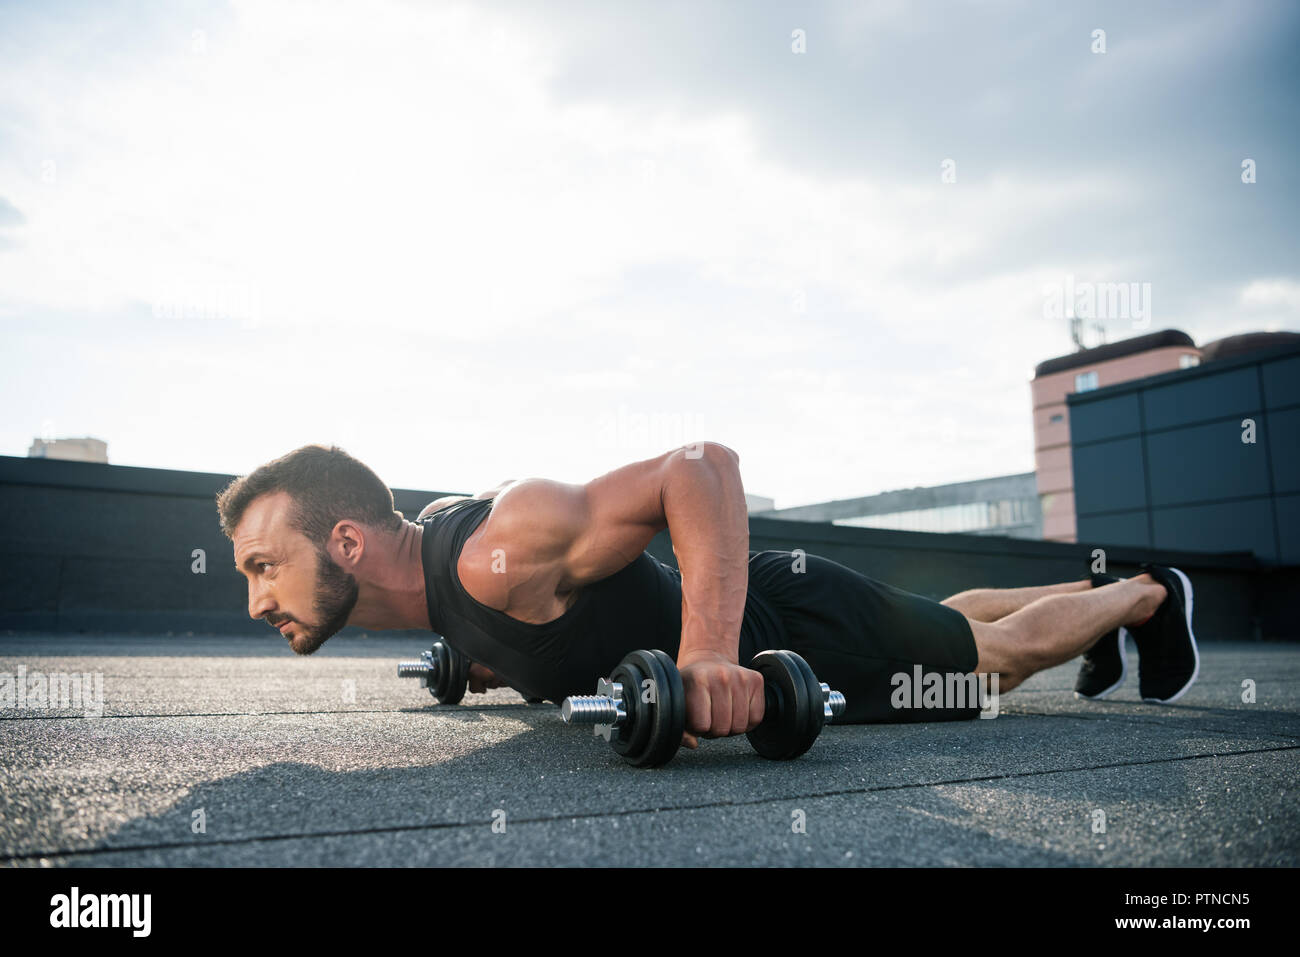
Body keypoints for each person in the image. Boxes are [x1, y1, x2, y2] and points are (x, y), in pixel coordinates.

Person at [216, 443, 1199, 747]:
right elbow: (550, 634)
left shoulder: (486, 555)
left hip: (797, 631)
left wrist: (705, 660)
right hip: (785, 593)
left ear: (346, 542)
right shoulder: (451, 587)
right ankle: (1097, 591)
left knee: (991, 664)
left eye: (264, 566)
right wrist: (485, 664)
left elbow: (699, 467)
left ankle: (1145, 598)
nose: (258, 600)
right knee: (953, 621)